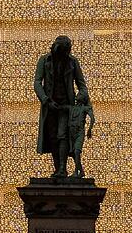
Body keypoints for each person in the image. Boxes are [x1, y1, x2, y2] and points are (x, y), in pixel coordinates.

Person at [34, 35, 88, 177]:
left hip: (66, 106)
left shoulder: (72, 62)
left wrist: (80, 97)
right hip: (49, 105)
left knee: (62, 135)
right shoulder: (44, 60)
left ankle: (63, 168)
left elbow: (82, 85)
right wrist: (45, 100)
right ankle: (58, 168)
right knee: (52, 136)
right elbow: (37, 83)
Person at [67, 90, 95, 178]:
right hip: (71, 133)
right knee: (72, 153)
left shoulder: (85, 108)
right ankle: (81, 171)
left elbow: (92, 118)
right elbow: (63, 107)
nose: (77, 95)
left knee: (77, 151)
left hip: (79, 132)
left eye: (79, 95)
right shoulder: (72, 108)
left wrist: (90, 129)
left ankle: (76, 172)